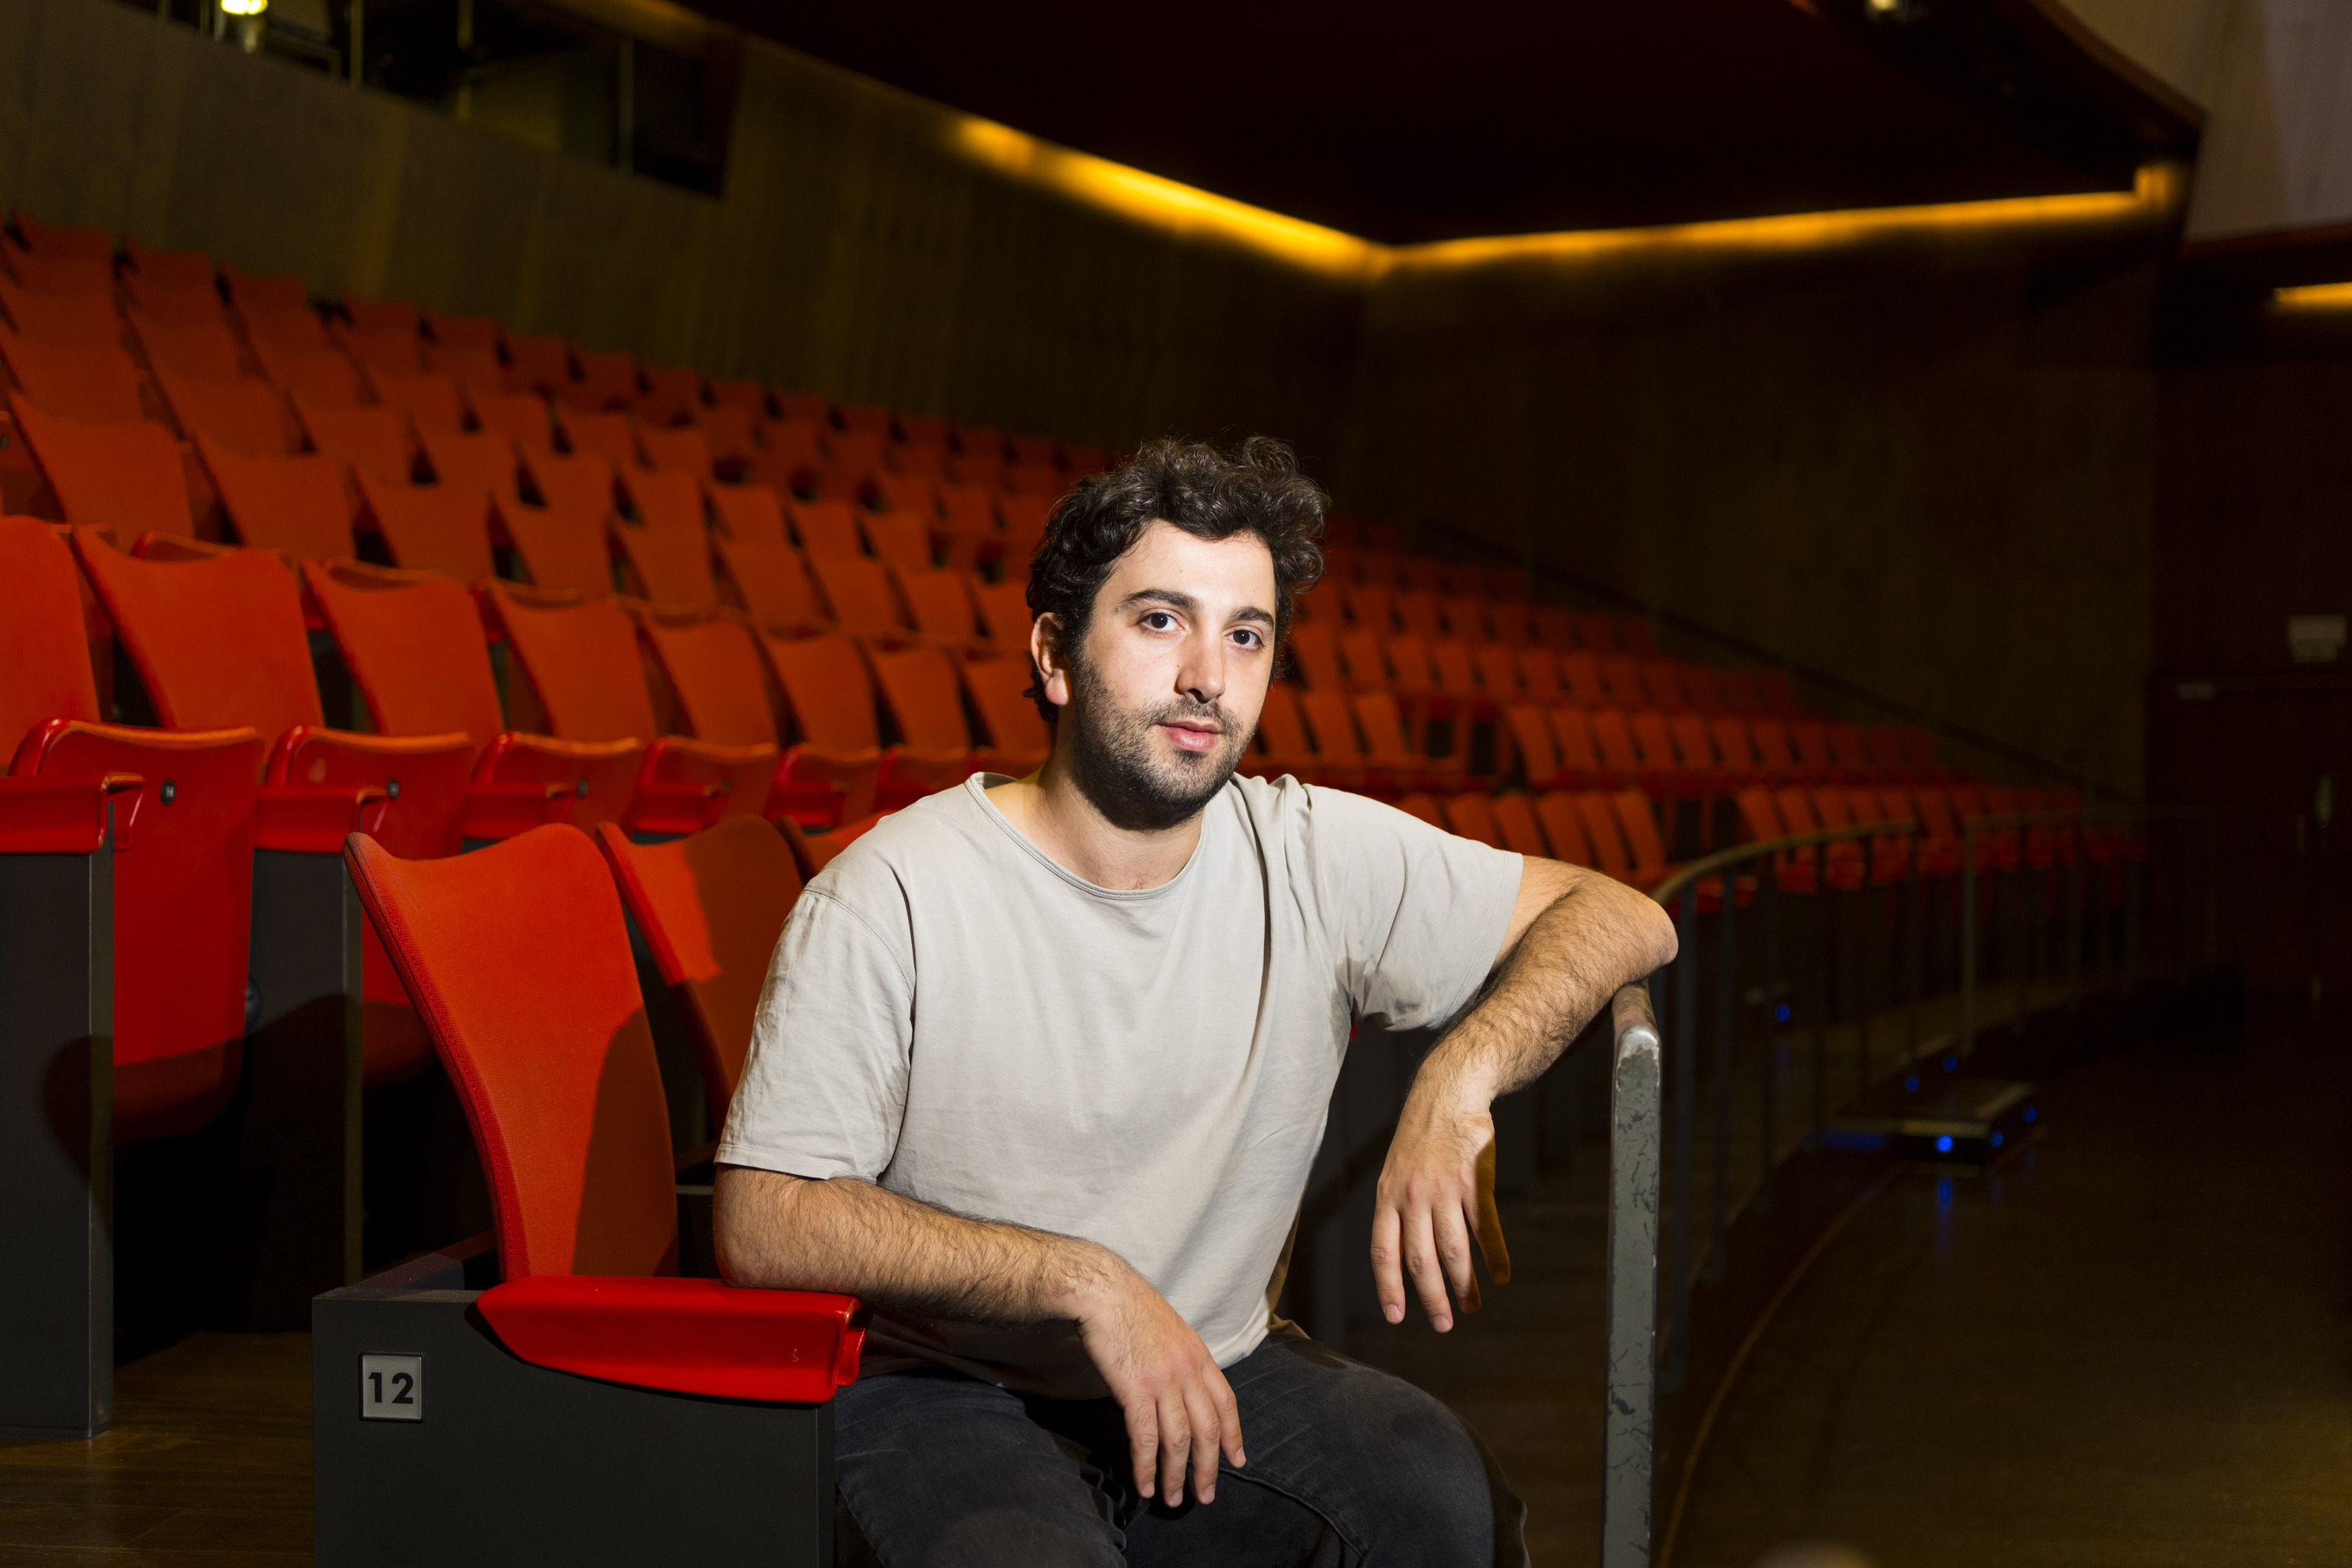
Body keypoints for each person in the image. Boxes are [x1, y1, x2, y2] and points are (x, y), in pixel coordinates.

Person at [713, 436, 1677, 1566]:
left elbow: (1625, 915)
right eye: (1161, 620)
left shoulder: (1309, 852)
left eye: (1247, 635)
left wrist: (1462, 1077)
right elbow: (763, 1217)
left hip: (1213, 1365)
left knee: (1437, 1501)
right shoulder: (894, 891)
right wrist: (1082, 1282)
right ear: (1056, 653)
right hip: (942, 1389)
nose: (1208, 679)